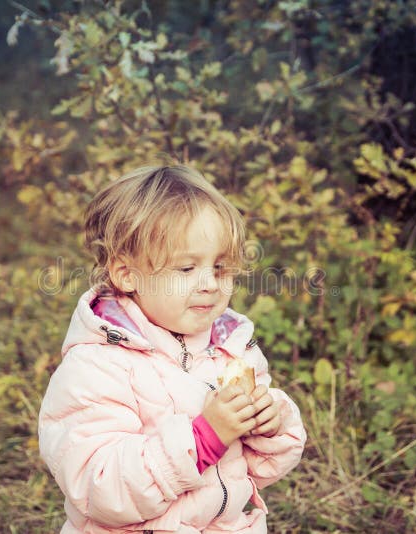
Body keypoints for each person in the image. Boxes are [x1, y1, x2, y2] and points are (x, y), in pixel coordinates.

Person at [38, 165, 306, 533]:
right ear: (126, 274)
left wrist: (269, 424)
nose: (210, 284)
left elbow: (263, 468)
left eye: (221, 267)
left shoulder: (231, 348)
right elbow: (99, 488)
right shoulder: (98, 364)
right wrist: (202, 440)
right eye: (185, 268)